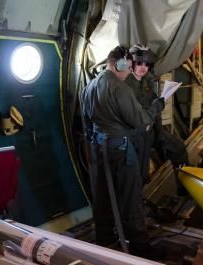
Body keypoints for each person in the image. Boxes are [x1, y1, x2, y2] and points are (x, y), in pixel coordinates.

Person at [80, 45, 165, 257]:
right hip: (121, 149)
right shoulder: (120, 88)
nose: (129, 72)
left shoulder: (90, 86)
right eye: (127, 67)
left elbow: (86, 121)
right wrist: (157, 106)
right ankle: (140, 248)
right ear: (119, 64)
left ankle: (105, 239)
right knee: (130, 198)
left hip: (99, 148)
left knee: (102, 197)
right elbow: (140, 120)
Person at [125, 44, 188, 191]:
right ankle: (135, 207)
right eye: (139, 63)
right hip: (136, 136)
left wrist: (160, 135)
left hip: (151, 131)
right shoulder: (125, 85)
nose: (143, 67)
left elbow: (155, 110)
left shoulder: (147, 81)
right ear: (131, 63)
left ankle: (184, 188)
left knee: (178, 148)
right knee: (139, 175)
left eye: (147, 64)